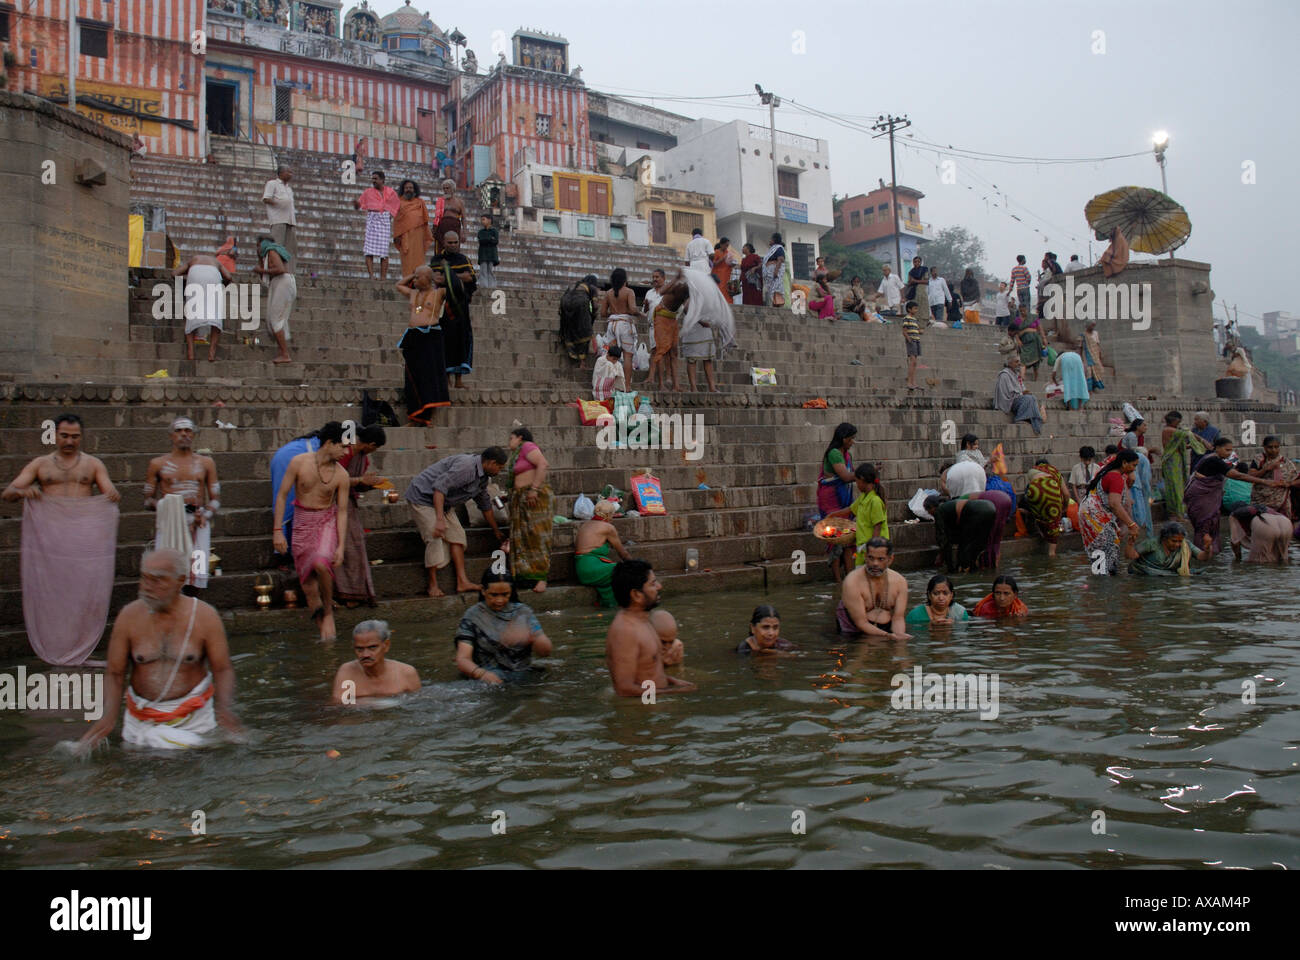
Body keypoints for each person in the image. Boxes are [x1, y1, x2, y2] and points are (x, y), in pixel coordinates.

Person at [77, 549, 241, 751]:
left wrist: (225, 709)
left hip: (195, 722)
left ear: (180, 580)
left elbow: (222, 669)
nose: (147, 586)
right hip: (140, 723)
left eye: (158, 580)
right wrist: (107, 719)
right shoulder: (129, 617)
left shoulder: (205, 617)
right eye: (144, 578)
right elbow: (115, 673)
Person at [4, 413, 121, 666]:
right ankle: (58, 649)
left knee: (82, 595)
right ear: (55, 435)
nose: (70, 441)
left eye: (75, 436)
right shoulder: (40, 465)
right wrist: (26, 491)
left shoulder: (93, 464)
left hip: (83, 542)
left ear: (82, 437)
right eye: (65, 436)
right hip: (50, 544)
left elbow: (108, 491)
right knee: (54, 596)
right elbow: (9, 493)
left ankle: (79, 650)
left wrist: (111, 494)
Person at [272, 420, 350, 641]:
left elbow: (342, 511)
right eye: (342, 446)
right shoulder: (299, 462)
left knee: (321, 562)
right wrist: (277, 530)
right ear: (329, 443)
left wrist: (342, 546)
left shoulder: (342, 475)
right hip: (301, 522)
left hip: (326, 521)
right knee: (308, 587)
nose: (346, 452)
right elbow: (282, 495)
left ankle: (328, 610)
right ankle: (325, 635)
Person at [405, 447, 507, 597]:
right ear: (491, 463)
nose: (500, 471)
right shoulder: (466, 468)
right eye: (499, 467)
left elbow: (485, 505)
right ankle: (432, 585)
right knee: (435, 536)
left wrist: (496, 530)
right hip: (423, 497)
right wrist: (439, 520)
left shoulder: (483, 477)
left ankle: (462, 582)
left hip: (445, 503)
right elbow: (439, 489)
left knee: (458, 536)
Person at [144, 418, 219, 594]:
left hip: (199, 522)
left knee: (197, 572)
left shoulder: (206, 463)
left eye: (188, 430)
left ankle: (194, 609)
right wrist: (168, 509)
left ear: (194, 435)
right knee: (169, 571)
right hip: (170, 523)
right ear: (171, 435)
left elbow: (215, 499)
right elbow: (147, 500)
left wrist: (205, 515)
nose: (183, 434)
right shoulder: (157, 464)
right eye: (179, 431)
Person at [606, 560, 696, 696]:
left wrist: (671, 681)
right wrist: (673, 691)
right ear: (636, 594)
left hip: (654, 704)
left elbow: (646, 670)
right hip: (640, 712)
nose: (659, 587)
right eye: (653, 583)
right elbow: (624, 689)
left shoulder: (642, 620)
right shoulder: (625, 631)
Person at [1185, 435, 1283, 557]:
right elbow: (1238, 475)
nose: (1230, 453)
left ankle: (1212, 555)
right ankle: (1201, 555)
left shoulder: (1211, 458)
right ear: (1217, 448)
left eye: (1231, 450)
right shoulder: (1213, 460)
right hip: (1202, 498)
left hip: (1207, 498)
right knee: (1204, 526)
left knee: (1211, 525)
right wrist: (1265, 481)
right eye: (1227, 450)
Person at [455, 571, 553, 684]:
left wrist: (533, 638)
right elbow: (463, 659)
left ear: (511, 592)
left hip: (522, 675)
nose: (499, 600)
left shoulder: (522, 613)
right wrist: (481, 674)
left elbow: (545, 652)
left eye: (505, 594)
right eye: (494, 595)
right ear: (483, 591)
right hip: (487, 679)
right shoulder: (472, 617)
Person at [334, 425, 386, 608]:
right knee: (344, 548)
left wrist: (371, 484)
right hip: (332, 505)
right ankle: (345, 593)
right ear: (371, 444)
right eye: (375, 448)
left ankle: (355, 592)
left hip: (349, 505)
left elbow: (356, 484)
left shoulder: (363, 460)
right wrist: (359, 481)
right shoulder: (345, 452)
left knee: (355, 546)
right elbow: (330, 479)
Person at [396, 265, 451, 426]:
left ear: (428, 278)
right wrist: (413, 274)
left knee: (430, 376)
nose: (415, 280)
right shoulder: (413, 293)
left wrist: (440, 277)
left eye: (419, 277)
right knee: (413, 376)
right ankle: (414, 417)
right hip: (414, 337)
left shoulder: (438, 293)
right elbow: (398, 285)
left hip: (431, 336)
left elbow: (455, 288)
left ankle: (428, 417)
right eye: (415, 277)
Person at [505, 427, 553, 593]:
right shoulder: (517, 453)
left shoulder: (527, 446)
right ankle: (525, 578)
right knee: (523, 539)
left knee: (537, 536)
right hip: (521, 499)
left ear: (520, 438)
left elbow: (542, 464)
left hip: (534, 498)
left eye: (511, 438)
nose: (509, 442)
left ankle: (541, 579)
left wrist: (534, 488)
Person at [1078, 449, 1141, 575]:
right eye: (1133, 465)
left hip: (1090, 514)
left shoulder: (1110, 472)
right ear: (1124, 463)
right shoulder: (1115, 477)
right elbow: (1114, 504)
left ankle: (1102, 583)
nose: (1134, 469)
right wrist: (1131, 524)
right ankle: (1103, 584)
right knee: (1105, 553)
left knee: (1103, 552)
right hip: (1095, 516)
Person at [835, 538, 910, 640]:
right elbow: (861, 622)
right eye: (871, 558)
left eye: (881, 559)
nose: (875, 563)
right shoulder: (852, 582)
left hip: (886, 627)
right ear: (865, 557)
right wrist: (887, 636)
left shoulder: (900, 581)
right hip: (854, 631)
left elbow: (898, 618)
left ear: (890, 559)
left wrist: (900, 635)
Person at [430, 231, 477, 389]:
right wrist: (458, 276)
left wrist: (449, 274)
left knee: (462, 341)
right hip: (444, 307)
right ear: (444, 242)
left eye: (455, 242)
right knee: (445, 342)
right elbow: (437, 279)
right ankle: (446, 379)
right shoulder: (437, 260)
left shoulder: (463, 259)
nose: (453, 245)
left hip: (461, 307)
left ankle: (459, 381)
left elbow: (470, 277)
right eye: (450, 243)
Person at [331, 620, 420, 701]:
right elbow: (339, 706)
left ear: (386, 645)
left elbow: (419, 704)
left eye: (372, 647)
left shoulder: (406, 673)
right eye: (359, 649)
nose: (365, 655)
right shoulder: (347, 672)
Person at [174, 248, 233, 363]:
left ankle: (191, 353)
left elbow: (174, 273)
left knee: (190, 314)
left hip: (194, 277)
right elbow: (229, 277)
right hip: (214, 279)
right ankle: (211, 352)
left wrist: (185, 283)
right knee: (215, 314)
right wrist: (222, 286)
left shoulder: (194, 260)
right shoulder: (216, 262)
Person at [825, 463, 887, 568]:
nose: (856, 484)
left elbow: (877, 527)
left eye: (857, 481)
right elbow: (850, 509)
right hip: (862, 546)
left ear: (862, 480)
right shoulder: (863, 497)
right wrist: (832, 515)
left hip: (874, 549)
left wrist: (872, 550)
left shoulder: (875, 501)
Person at [817, 422, 858, 582]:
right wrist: (865, 473)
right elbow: (846, 477)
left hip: (843, 501)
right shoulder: (834, 453)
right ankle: (838, 581)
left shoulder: (847, 454)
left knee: (847, 540)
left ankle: (849, 577)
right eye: (851, 438)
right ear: (843, 438)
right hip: (831, 501)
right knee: (835, 539)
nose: (853, 442)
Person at [575, 498, 631, 607]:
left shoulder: (585, 524)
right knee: (624, 571)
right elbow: (623, 553)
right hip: (591, 568)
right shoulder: (608, 527)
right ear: (609, 515)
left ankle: (609, 603)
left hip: (581, 569)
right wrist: (637, 567)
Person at [926, 494, 997, 573]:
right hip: (991, 507)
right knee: (976, 546)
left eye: (927, 510)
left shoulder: (939, 511)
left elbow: (942, 538)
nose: (928, 513)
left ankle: (964, 570)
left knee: (965, 548)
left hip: (978, 512)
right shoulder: (948, 505)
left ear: (932, 507)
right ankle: (976, 569)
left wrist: (948, 565)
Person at [254, 235, 294, 363]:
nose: (257, 248)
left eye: (258, 245)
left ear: (264, 243)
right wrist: (259, 258)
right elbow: (263, 275)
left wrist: (260, 269)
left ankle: (285, 354)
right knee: (272, 319)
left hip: (283, 282)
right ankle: (282, 352)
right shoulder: (267, 254)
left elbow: (280, 269)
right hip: (278, 283)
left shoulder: (272, 251)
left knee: (275, 319)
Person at [353, 169, 400, 280]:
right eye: (372, 179)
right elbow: (358, 205)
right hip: (372, 219)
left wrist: (389, 216)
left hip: (384, 220)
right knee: (369, 250)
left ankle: (383, 277)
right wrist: (355, 204)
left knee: (384, 251)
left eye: (376, 179)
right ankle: (371, 275)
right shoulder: (367, 192)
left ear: (382, 180)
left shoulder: (390, 192)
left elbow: (396, 205)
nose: (373, 181)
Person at [1159, 411, 1205, 520]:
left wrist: (1192, 445)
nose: (1179, 424)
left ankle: (1178, 512)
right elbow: (1188, 434)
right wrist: (1203, 441)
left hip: (1176, 460)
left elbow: (1182, 444)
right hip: (1171, 461)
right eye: (1178, 422)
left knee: (1180, 487)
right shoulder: (1168, 430)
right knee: (1175, 487)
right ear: (1174, 421)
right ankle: (1177, 513)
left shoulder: (1173, 431)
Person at [1020, 458, 1070, 556]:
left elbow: (1032, 491)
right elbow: (1067, 494)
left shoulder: (1032, 471)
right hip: (1050, 492)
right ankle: (1052, 554)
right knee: (1054, 521)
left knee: (1039, 514)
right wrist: (1064, 507)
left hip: (1034, 494)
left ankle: (1042, 533)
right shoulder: (1055, 471)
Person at [600, 267, 640, 387]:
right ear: (624, 280)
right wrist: (641, 313)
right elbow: (633, 309)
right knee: (628, 356)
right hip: (624, 325)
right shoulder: (629, 292)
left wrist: (614, 314)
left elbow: (602, 313)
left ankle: (609, 385)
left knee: (612, 354)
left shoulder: (608, 293)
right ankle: (627, 386)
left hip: (612, 325)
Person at [1129, 521, 1212, 576]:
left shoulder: (1185, 544)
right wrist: (1130, 543)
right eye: (1174, 541)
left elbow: (1202, 557)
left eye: (1180, 541)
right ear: (1165, 538)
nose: (1177, 544)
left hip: (1169, 575)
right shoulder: (1152, 543)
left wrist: (1207, 549)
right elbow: (1131, 556)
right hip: (1145, 574)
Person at [1245, 436, 1300, 518]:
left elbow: (1296, 478)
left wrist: (1289, 483)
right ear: (1264, 447)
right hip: (1261, 499)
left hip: (1281, 501)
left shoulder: (1285, 462)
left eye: (1276, 447)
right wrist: (1266, 469)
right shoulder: (1259, 459)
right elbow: (1251, 476)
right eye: (1270, 447)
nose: (1274, 450)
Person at [646, 271, 681, 392]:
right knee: (655, 351)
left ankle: (669, 379)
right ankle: (652, 377)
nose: (655, 279)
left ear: (664, 278)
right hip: (653, 325)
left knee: (670, 353)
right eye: (653, 277)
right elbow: (645, 310)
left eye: (657, 277)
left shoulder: (670, 291)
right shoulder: (649, 293)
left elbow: (678, 308)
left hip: (668, 325)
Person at [391, 179, 432, 278]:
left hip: (418, 236)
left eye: (410, 188)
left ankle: (419, 281)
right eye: (406, 188)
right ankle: (408, 281)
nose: (408, 190)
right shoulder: (398, 202)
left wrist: (427, 235)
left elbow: (425, 221)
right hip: (405, 236)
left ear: (414, 190)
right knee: (407, 260)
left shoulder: (420, 202)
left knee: (418, 259)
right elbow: (396, 220)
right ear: (403, 189)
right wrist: (397, 235)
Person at [1120, 424, 1155, 539]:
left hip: (1129, 489)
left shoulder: (1129, 458)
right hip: (1138, 489)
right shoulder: (1143, 459)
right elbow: (1145, 478)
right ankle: (1145, 536)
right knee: (1142, 515)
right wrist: (1149, 493)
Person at [995, 356, 1044, 436]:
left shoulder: (1016, 374)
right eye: (1016, 362)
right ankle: (1020, 418)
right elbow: (1008, 393)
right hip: (1008, 401)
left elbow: (1021, 388)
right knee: (1028, 399)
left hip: (1017, 399)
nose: (1019, 364)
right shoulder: (1004, 375)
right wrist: (1021, 393)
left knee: (1032, 397)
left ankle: (1031, 420)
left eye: (1019, 362)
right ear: (1010, 363)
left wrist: (1025, 392)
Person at [1229, 505, 1293, 564]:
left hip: (1264, 522)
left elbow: (1235, 541)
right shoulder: (1259, 508)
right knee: (1282, 558)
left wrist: (1238, 560)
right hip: (1285, 522)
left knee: (1258, 562)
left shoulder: (1234, 515)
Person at [559, 274, 600, 365]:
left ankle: (570, 349)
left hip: (565, 303)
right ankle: (582, 362)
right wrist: (593, 315)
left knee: (571, 326)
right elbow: (595, 306)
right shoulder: (592, 287)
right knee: (585, 330)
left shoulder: (574, 286)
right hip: (580, 303)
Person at [261, 163, 297, 261]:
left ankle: (287, 272)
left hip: (291, 221)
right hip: (278, 220)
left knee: (290, 249)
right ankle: (274, 267)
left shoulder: (289, 189)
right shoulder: (272, 183)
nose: (291, 174)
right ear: (281, 173)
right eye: (288, 172)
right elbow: (266, 198)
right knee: (276, 247)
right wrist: (279, 203)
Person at [905, 574, 971, 625]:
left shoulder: (960, 613)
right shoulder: (915, 615)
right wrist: (930, 625)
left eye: (945, 593)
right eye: (936, 593)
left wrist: (953, 625)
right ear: (929, 595)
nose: (941, 598)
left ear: (951, 595)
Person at [431, 177, 465, 257]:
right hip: (441, 228)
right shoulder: (440, 201)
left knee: (454, 249)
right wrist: (434, 229)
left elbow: (464, 218)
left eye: (448, 188)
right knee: (440, 251)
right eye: (444, 188)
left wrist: (464, 232)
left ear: (453, 189)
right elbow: (437, 216)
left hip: (455, 228)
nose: (445, 190)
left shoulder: (459, 202)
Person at [761, 233, 790, 307]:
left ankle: (778, 308)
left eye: (771, 239)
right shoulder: (773, 249)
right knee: (772, 292)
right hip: (770, 275)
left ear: (774, 240)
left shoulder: (779, 248)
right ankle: (775, 306)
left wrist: (776, 271)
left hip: (775, 274)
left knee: (776, 291)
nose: (769, 241)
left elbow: (780, 259)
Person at [902, 300, 923, 391]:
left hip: (917, 341)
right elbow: (904, 331)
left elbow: (918, 330)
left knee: (915, 363)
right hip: (912, 342)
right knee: (912, 362)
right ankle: (909, 383)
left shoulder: (914, 319)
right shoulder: (906, 318)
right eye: (914, 308)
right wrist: (908, 339)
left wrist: (921, 331)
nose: (916, 310)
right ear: (909, 309)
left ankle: (913, 382)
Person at [475, 213, 500, 288]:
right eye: (481, 220)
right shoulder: (480, 232)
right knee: (483, 271)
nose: (482, 221)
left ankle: (491, 287)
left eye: (483, 219)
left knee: (490, 271)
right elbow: (481, 240)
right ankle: (484, 286)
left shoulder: (494, 231)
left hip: (491, 254)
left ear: (489, 220)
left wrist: (487, 239)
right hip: (483, 254)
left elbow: (495, 241)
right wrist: (490, 239)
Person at [711, 238, 737, 304]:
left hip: (727, 274)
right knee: (719, 288)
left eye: (728, 245)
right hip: (718, 274)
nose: (726, 247)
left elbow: (730, 263)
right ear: (721, 244)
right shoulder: (717, 252)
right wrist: (722, 258)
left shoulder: (728, 253)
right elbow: (714, 264)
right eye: (725, 245)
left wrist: (733, 264)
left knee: (726, 289)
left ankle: (727, 302)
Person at [1081, 322, 1106, 390]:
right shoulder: (1083, 335)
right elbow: (1079, 348)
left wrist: (1100, 355)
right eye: (1091, 325)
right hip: (1087, 357)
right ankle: (1089, 389)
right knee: (1089, 372)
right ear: (1087, 326)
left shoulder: (1095, 333)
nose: (1093, 327)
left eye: (1094, 326)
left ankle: (1095, 387)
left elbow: (1097, 345)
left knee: (1099, 371)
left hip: (1096, 356)